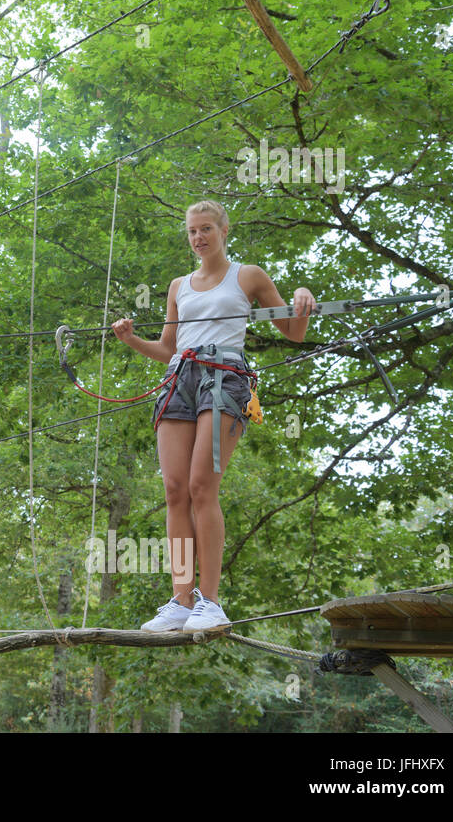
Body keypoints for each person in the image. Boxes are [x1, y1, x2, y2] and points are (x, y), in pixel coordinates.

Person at [112, 201, 314, 633]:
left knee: (202, 486)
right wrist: (132, 340)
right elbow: (168, 348)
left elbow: (293, 334)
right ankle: (181, 599)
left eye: (206, 229)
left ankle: (210, 602)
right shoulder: (178, 285)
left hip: (224, 377)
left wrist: (302, 301)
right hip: (179, 377)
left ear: (224, 230)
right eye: (191, 231)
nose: (198, 237)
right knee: (174, 490)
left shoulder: (248, 275)